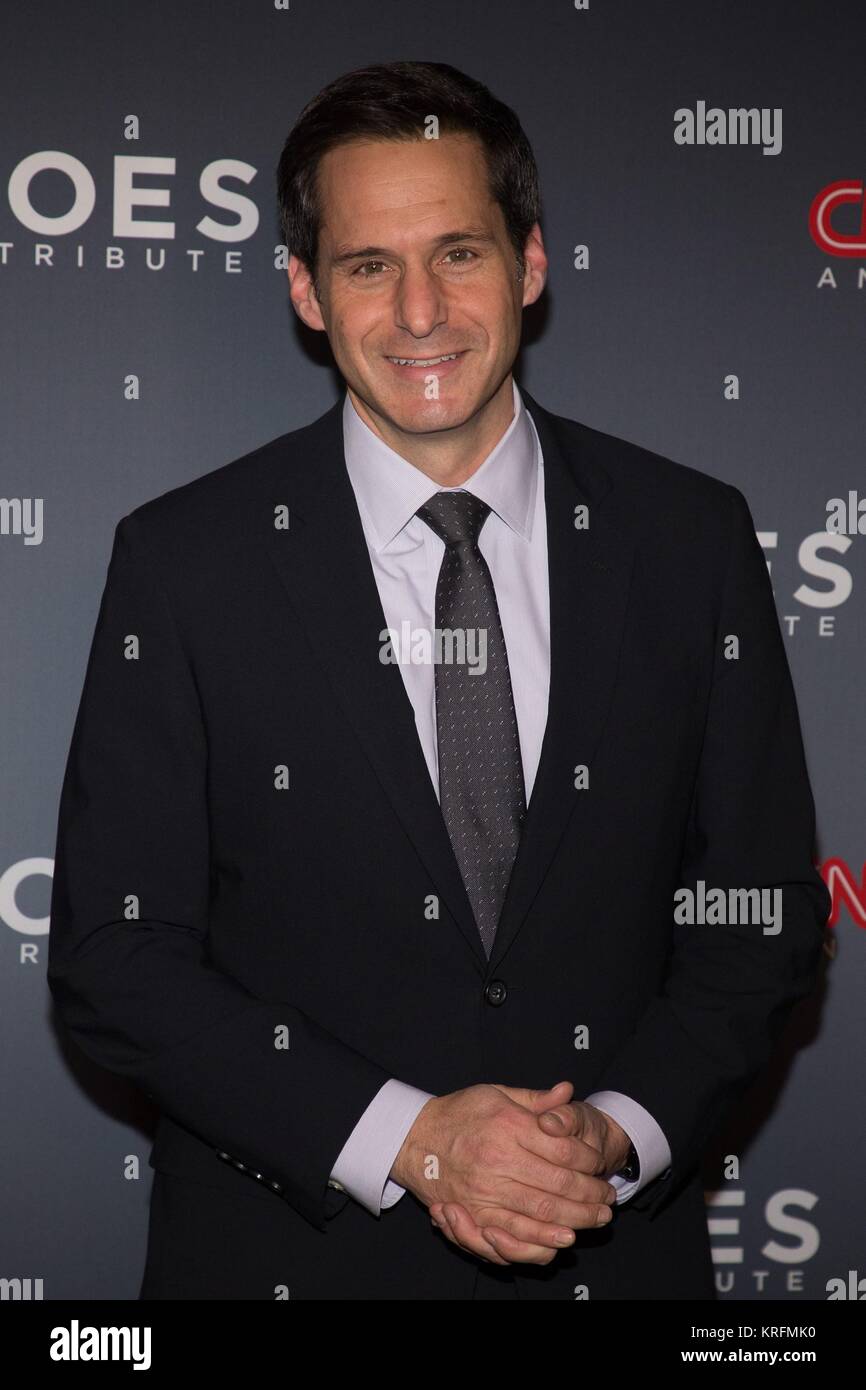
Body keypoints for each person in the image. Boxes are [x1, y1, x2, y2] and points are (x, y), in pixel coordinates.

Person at [47, 60, 830, 1301]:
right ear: (307, 291)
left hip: (612, 1257)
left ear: (528, 263)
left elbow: (757, 914)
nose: (419, 311)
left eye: (457, 252)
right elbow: (115, 955)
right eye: (367, 265)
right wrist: (415, 1141)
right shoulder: (186, 561)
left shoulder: (686, 539)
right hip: (280, 1267)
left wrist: (607, 1135)